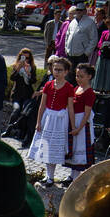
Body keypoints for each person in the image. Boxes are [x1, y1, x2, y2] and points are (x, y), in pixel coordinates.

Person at [27, 56, 75, 186]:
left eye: (60, 70)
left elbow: (70, 107)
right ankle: (49, 177)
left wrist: (73, 125)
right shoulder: (48, 85)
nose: (57, 72)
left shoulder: (69, 87)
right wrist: (38, 122)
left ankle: (52, 176)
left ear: (66, 72)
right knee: (46, 146)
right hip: (48, 118)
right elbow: (42, 105)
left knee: (54, 147)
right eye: (55, 69)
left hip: (60, 120)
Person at [66, 63, 96, 176]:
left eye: (81, 76)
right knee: (73, 149)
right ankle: (71, 175)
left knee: (80, 148)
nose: (78, 78)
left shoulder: (89, 93)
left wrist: (79, 128)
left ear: (89, 76)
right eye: (77, 76)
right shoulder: (76, 88)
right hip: (73, 120)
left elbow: (87, 114)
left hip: (81, 123)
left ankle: (76, 176)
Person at [62, 4, 98, 69]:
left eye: (81, 10)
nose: (79, 11)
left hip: (81, 55)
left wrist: (86, 53)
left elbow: (94, 39)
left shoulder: (90, 22)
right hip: (70, 54)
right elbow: (67, 36)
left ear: (85, 11)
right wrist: (66, 49)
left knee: (81, 75)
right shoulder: (73, 22)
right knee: (70, 75)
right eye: (77, 10)